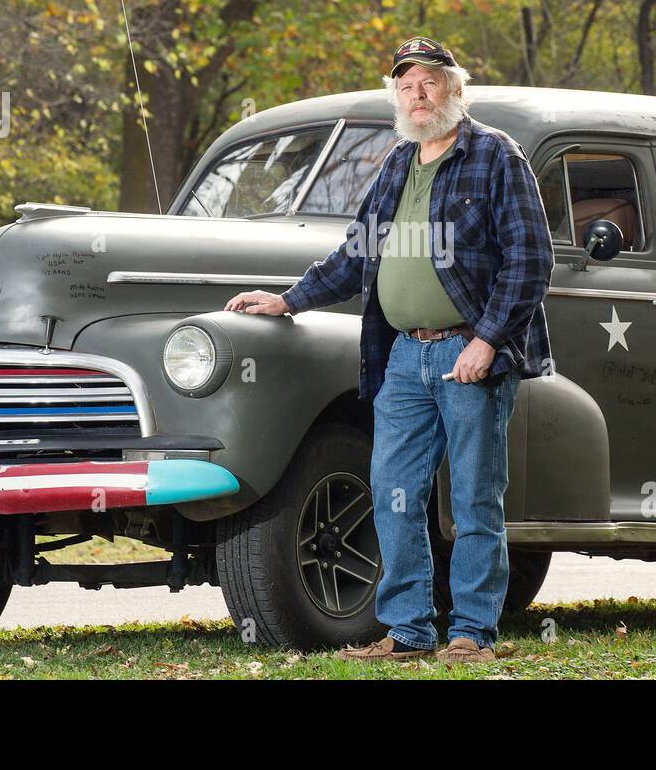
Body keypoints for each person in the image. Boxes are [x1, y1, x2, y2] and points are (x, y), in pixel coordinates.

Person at [224, 36, 554, 663]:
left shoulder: (494, 156)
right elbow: (356, 254)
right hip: (403, 357)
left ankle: (472, 635)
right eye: (405, 84)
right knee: (393, 491)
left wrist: (487, 340)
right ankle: (407, 632)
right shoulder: (398, 164)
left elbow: (530, 261)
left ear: (455, 88)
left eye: (429, 80)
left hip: (469, 356)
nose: (417, 93)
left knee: (475, 498)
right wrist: (289, 300)